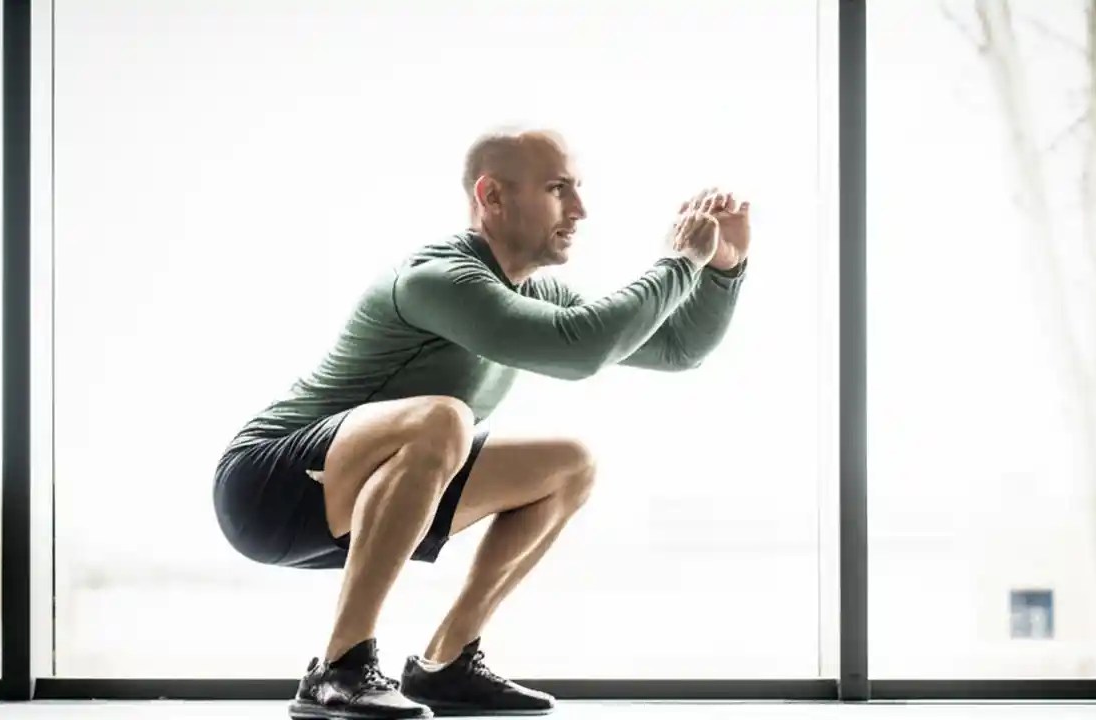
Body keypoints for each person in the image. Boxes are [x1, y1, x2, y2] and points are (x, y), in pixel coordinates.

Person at [212, 126, 751, 719]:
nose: (580, 210)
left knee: (568, 463)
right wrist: (680, 261)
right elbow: (579, 351)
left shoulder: (532, 290)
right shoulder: (440, 280)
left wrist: (723, 270)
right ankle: (339, 668)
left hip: (372, 487)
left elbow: (677, 349)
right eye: (558, 189)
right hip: (265, 487)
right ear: (492, 196)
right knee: (445, 418)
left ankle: (447, 663)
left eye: (577, 190)